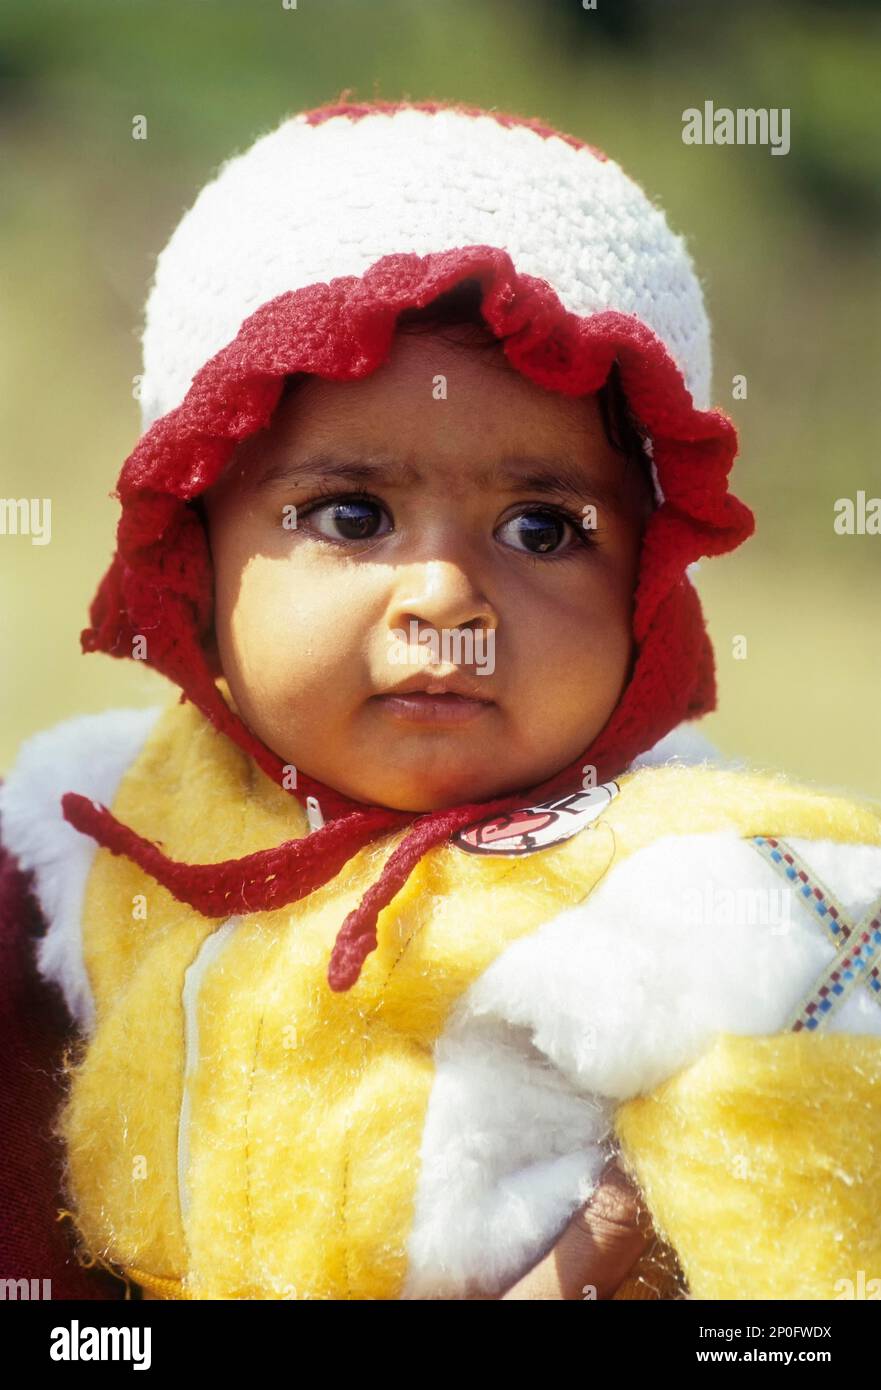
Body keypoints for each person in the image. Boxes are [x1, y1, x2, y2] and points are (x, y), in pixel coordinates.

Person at [1, 99, 879, 1302]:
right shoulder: (92, 831)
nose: (447, 596)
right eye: (350, 514)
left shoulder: (707, 889)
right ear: (193, 552)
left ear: (648, 582)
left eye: (542, 526)